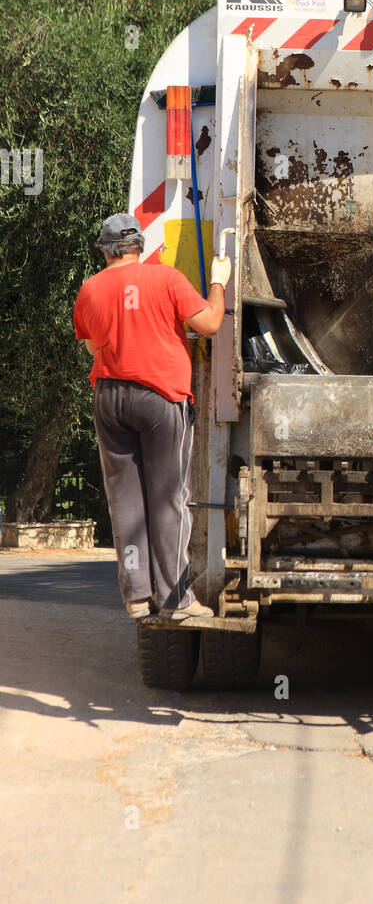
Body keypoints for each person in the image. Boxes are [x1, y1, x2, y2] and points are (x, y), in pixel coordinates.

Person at [73, 213, 232, 620]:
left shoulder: (89, 289)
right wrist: (218, 281)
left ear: (105, 251)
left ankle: (137, 597)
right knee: (168, 498)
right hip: (161, 396)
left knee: (124, 499)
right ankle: (176, 598)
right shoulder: (166, 279)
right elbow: (211, 324)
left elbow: (92, 348)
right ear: (139, 247)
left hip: (109, 397)